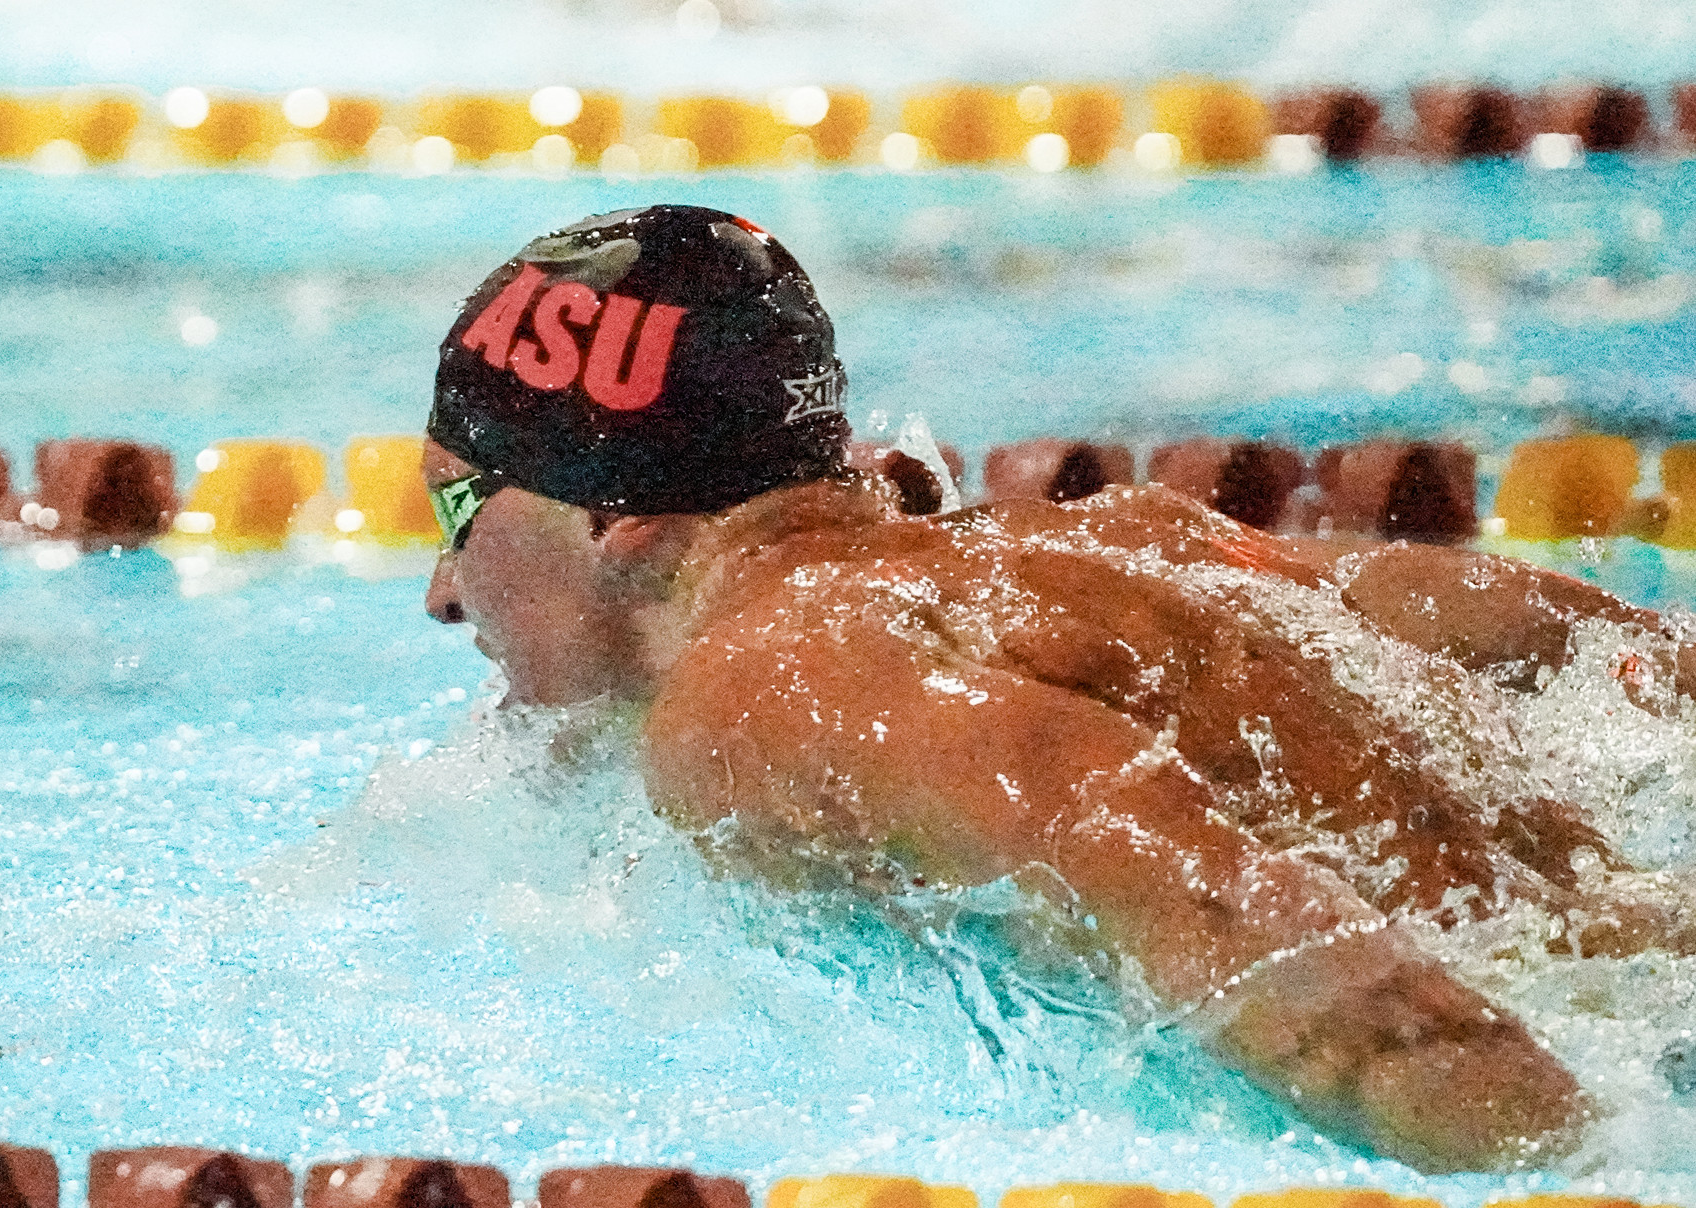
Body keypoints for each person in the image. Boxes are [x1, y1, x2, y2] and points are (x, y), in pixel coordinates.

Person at [419, 204, 1696, 1173]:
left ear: (616, 520)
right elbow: (1582, 642)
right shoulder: (1112, 542)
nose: (439, 589)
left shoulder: (769, 689)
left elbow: (1252, 928)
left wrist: (1579, 1165)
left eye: (453, 508)